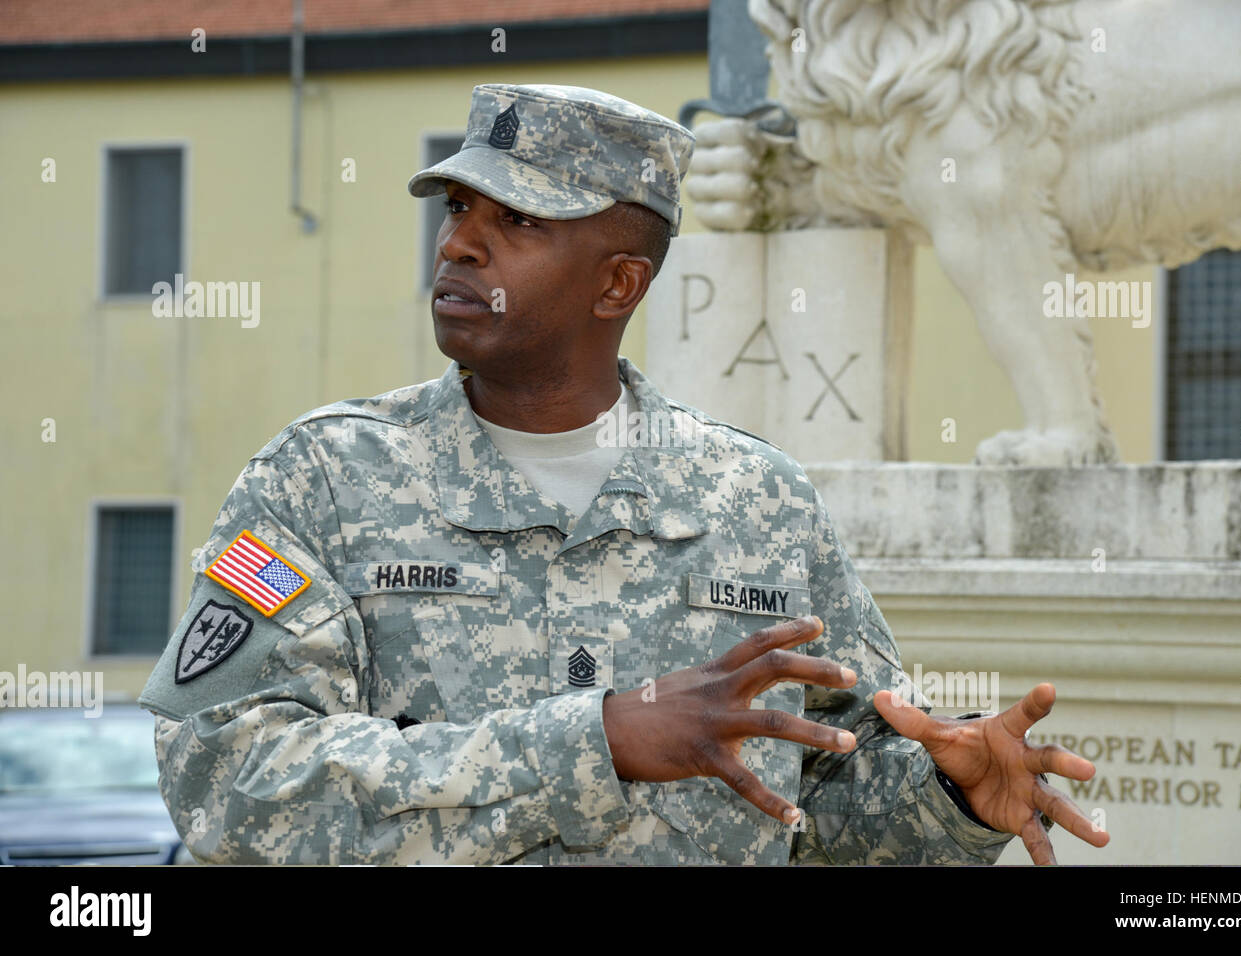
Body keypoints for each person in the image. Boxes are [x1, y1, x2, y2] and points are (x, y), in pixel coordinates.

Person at [139, 82, 1109, 865]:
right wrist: (591, 740)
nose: (458, 242)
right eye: (458, 206)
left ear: (617, 283)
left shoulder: (757, 499)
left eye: (514, 218)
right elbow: (226, 780)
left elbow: (823, 801)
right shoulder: (322, 478)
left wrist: (950, 796)